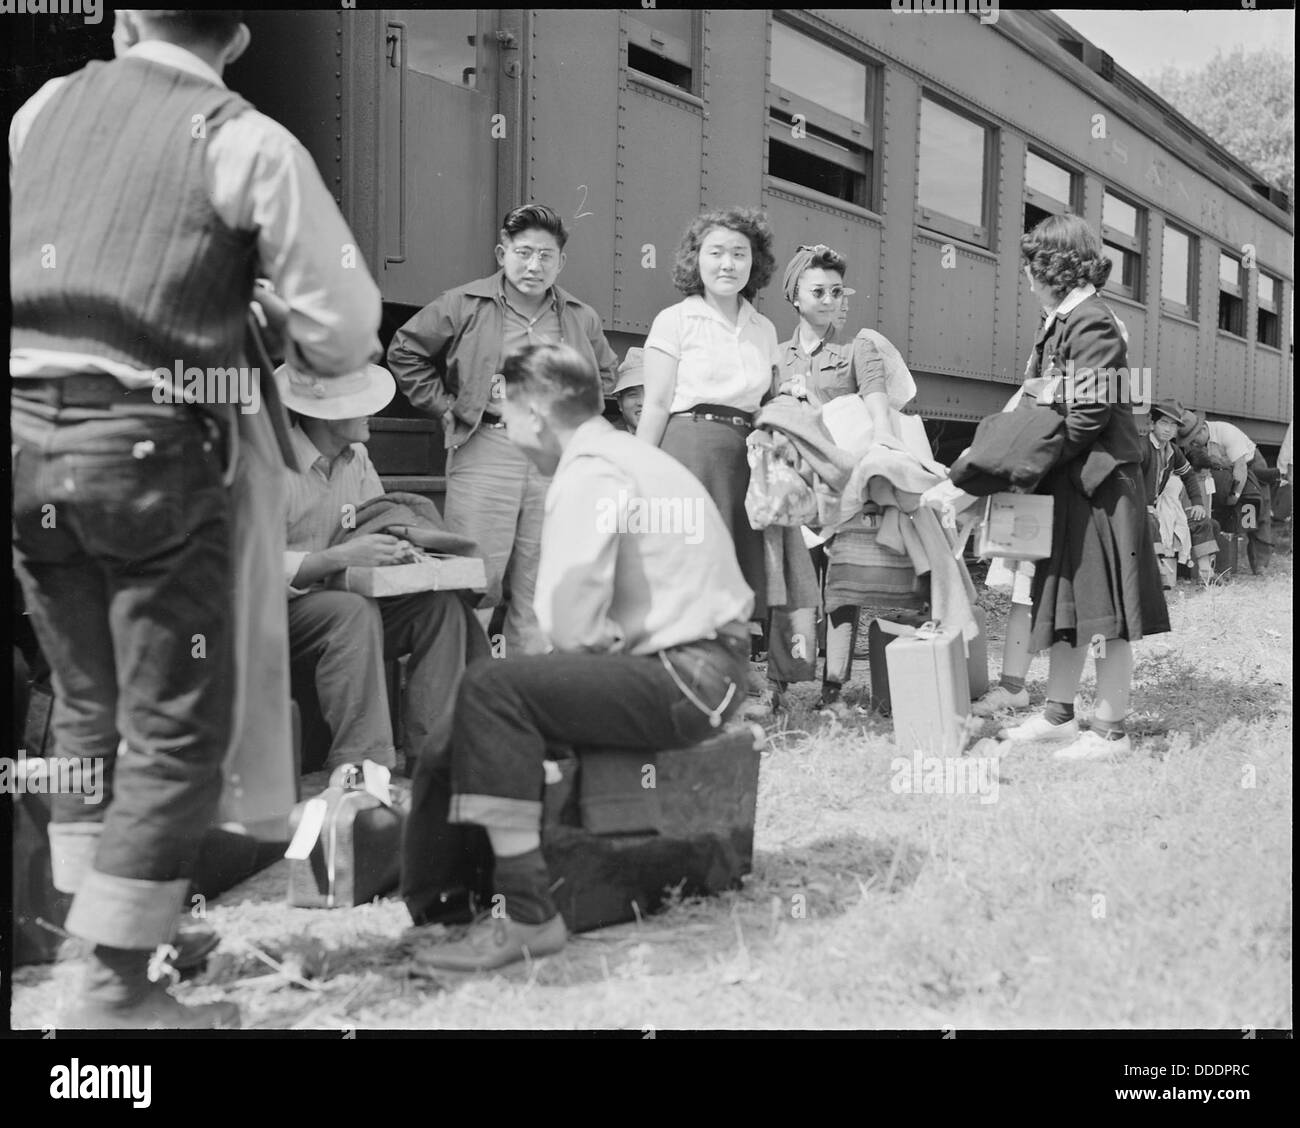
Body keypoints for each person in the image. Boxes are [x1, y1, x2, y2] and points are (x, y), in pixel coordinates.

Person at [10, 10, 383, 1027]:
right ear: (240, 34)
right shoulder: (244, 139)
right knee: (179, 725)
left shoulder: (42, 109)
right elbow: (346, 328)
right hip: (147, 450)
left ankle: (118, 929)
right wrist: (257, 316)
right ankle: (113, 991)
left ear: (126, 18)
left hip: (25, 447)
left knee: (91, 705)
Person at [405, 343, 754, 971]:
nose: (507, 435)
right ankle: (441, 903)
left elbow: (567, 626)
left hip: (690, 675)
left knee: (491, 688)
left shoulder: (590, 470)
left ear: (534, 411)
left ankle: (527, 913)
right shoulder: (626, 455)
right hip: (710, 670)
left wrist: (549, 688)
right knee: (476, 705)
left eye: (505, 417)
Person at [386, 205, 619, 657]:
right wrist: (445, 407)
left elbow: (606, 374)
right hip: (487, 446)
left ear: (561, 263)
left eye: (546, 256)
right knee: (475, 576)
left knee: (541, 581)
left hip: (552, 460)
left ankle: (521, 703)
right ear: (502, 252)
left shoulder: (579, 316)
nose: (534, 266)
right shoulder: (463, 303)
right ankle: (457, 700)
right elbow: (405, 350)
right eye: (524, 253)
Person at [996, 213, 1170, 761]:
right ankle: (1058, 715)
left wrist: (1020, 460)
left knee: (1107, 611)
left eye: (1031, 264)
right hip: (1076, 481)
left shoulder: (1090, 320)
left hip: (1102, 484)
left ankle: (1110, 727)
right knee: (1068, 601)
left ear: (1054, 266)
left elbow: (1086, 415)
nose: (1025, 275)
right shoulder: (1064, 320)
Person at [277, 362, 490, 776]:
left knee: (440, 609)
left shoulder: (357, 459)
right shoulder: (272, 465)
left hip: (345, 596)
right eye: (360, 404)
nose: (370, 412)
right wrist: (338, 558)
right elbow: (251, 567)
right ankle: (365, 768)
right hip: (276, 613)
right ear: (325, 414)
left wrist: (399, 549)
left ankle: (434, 761)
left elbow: (369, 520)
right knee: (349, 611)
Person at [637, 206, 782, 618]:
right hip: (690, 454)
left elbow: (767, 401)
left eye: (740, 253)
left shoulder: (765, 328)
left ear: (754, 263)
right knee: (689, 560)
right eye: (716, 252)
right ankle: (683, 667)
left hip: (746, 460)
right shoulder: (675, 320)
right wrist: (638, 472)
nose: (728, 264)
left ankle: (733, 664)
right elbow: (657, 404)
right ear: (695, 258)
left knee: (739, 563)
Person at [1177, 409, 1273, 572]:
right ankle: (1222, 560)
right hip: (1223, 469)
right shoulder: (1200, 443)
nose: (1192, 446)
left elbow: (1240, 468)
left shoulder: (1227, 432)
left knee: (1256, 510)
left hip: (1249, 466)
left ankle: (1260, 564)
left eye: (1193, 441)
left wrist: (1234, 496)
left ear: (1203, 430)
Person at [1140, 399, 1217, 584]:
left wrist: (1198, 502)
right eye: (1163, 423)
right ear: (1152, 424)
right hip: (1139, 508)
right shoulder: (1142, 447)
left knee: (1201, 520)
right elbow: (1128, 481)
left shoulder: (1173, 451)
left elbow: (1189, 476)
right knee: (1150, 522)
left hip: (1159, 508)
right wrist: (1143, 505)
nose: (1168, 429)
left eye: (1173, 426)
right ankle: (1159, 577)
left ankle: (1207, 576)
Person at [610, 347, 645, 432]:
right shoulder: (606, 439)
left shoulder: (676, 436)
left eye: (650, 394)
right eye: (633, 394)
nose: (641, 402)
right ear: (620, 402)